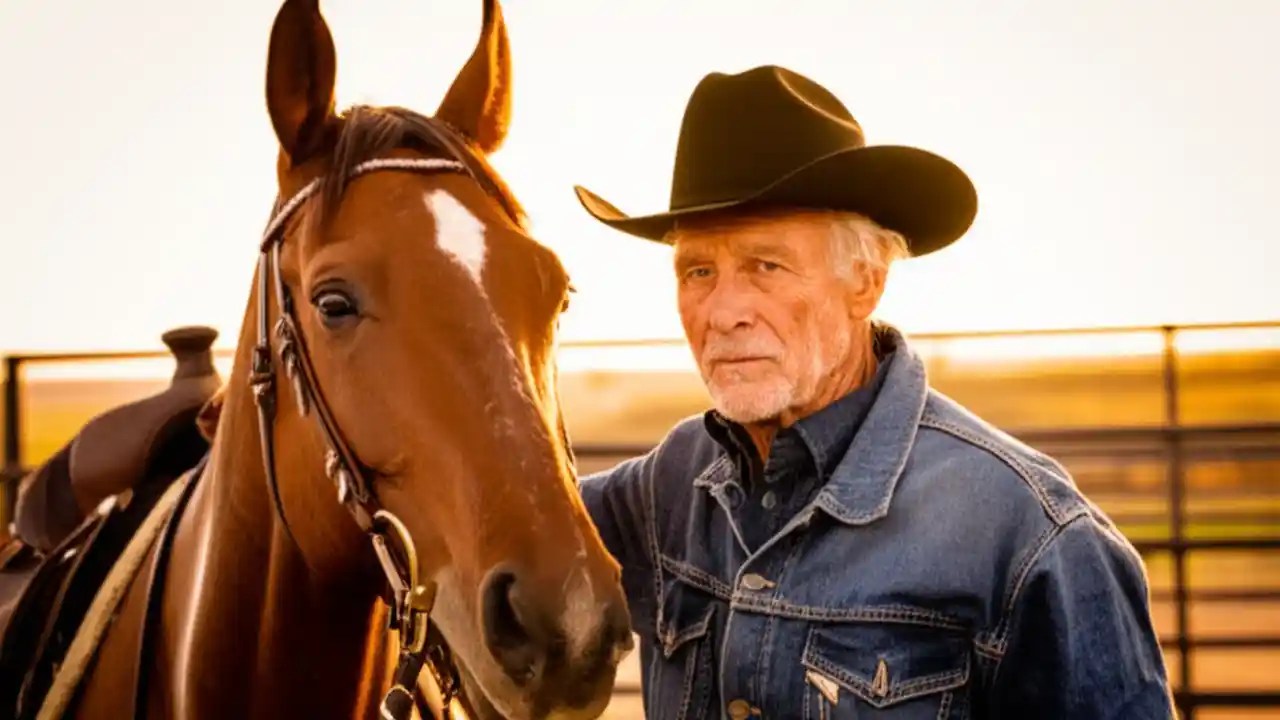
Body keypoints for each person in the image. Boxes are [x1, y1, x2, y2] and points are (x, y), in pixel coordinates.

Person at [574, 65, 1174, 719]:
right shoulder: (673, 484)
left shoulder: (1029, 535)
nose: (723, 312)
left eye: (765, 266)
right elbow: (495, 530)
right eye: (698, 271)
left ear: (865, 282)